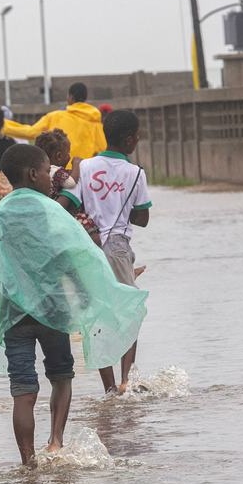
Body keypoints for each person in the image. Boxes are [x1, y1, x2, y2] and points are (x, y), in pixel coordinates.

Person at [0, 144, 148, 466]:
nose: (51, 177)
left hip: (14, 317)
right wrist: (93, 292)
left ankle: (28, 463)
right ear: (33, 174)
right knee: (61, 377)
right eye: (48, 170)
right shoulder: (54, 214)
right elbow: (75, 257)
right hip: (53, 313)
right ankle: (55, 443)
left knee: (23, 390)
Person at [58, 110, 152, 396]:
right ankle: (127, 381)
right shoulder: (135, 173)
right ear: (128, 140)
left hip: (88, 247)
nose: (137, 140)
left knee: (95, 315)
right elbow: (143, 217)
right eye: (136, 136)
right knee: (129, 311)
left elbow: (69, 204)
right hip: (119, 247)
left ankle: (109, 387)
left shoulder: (85, 167)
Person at [2, 83, 106, 166]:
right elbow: (103, 148)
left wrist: (3, 126)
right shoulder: (95, 121)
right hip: (83, 172)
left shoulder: (55, 116)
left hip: (60, 171)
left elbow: (31, 132)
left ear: (70, 97)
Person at [34, 129, 100, 247]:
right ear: (59, 156)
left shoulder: (41, 172)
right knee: (94, 235)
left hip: (49, 212)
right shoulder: (56, 170)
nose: (69, 156)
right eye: (68, 153)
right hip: (65, 212)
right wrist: (77, 164)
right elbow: (70, 182)